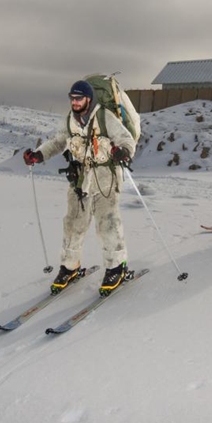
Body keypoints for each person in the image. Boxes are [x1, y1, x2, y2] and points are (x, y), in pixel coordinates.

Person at [23, 80, 137, 296]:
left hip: (106, 178)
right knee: (73, 224)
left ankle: (116, 267)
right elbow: (58, 142)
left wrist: (123, 151)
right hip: (80, 178)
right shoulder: (70, 120)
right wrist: (39, 154)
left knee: (107, 224)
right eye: (72, 98)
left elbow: (126, 139)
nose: (74, 102)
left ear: (89, 98)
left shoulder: (104, 117)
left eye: (78, 98)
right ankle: (69, 267)